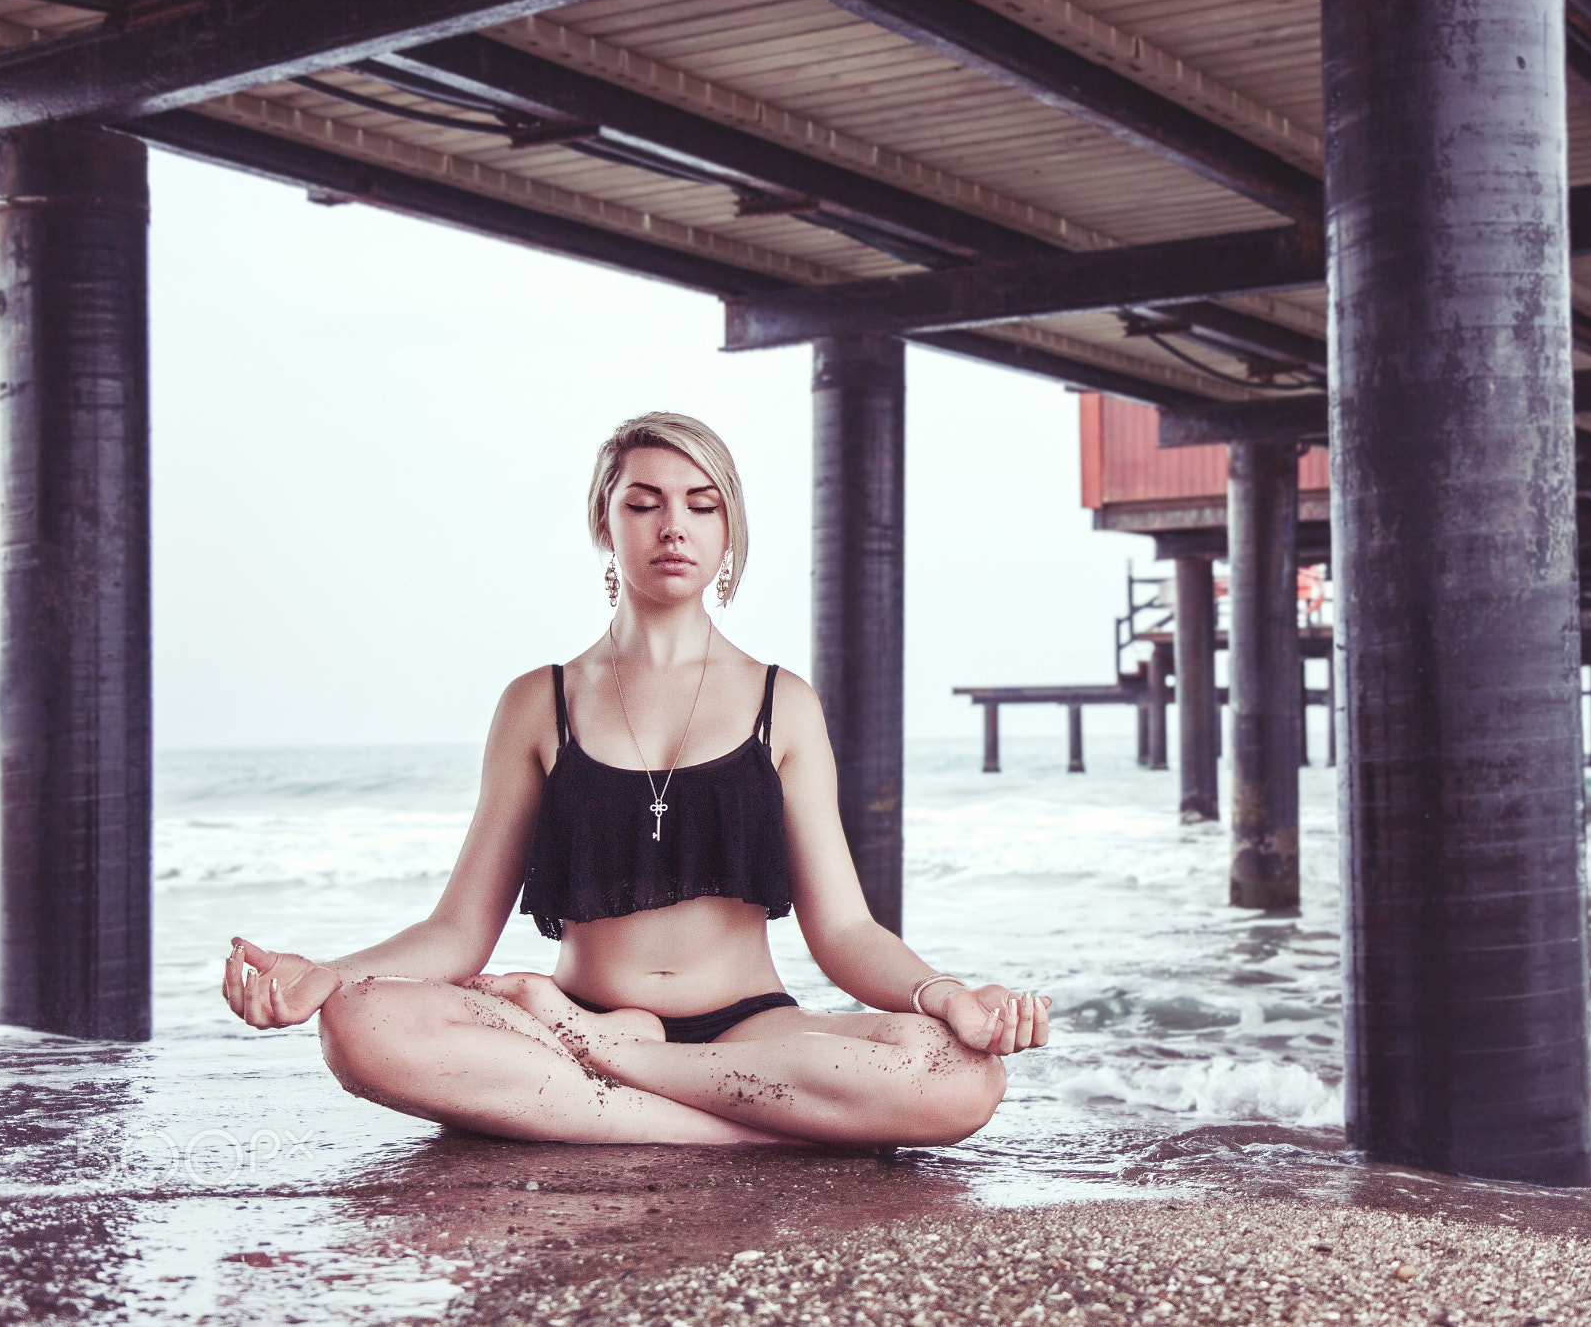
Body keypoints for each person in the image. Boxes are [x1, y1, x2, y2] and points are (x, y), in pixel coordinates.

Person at [220, 412, 1050, 1149]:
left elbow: (845, 930)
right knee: (360, 1025)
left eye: (702, 503)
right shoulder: (538, 703)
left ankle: (627, 1078)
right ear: (604, 524)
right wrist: (333, 971)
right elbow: (460, 929)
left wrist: (942, 992)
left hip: (750, 1033)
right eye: (643, 502)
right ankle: (740, 1134)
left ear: (730, 530)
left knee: (959, 1074)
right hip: (570, 1021)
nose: (673, 526)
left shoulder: (781, 703)